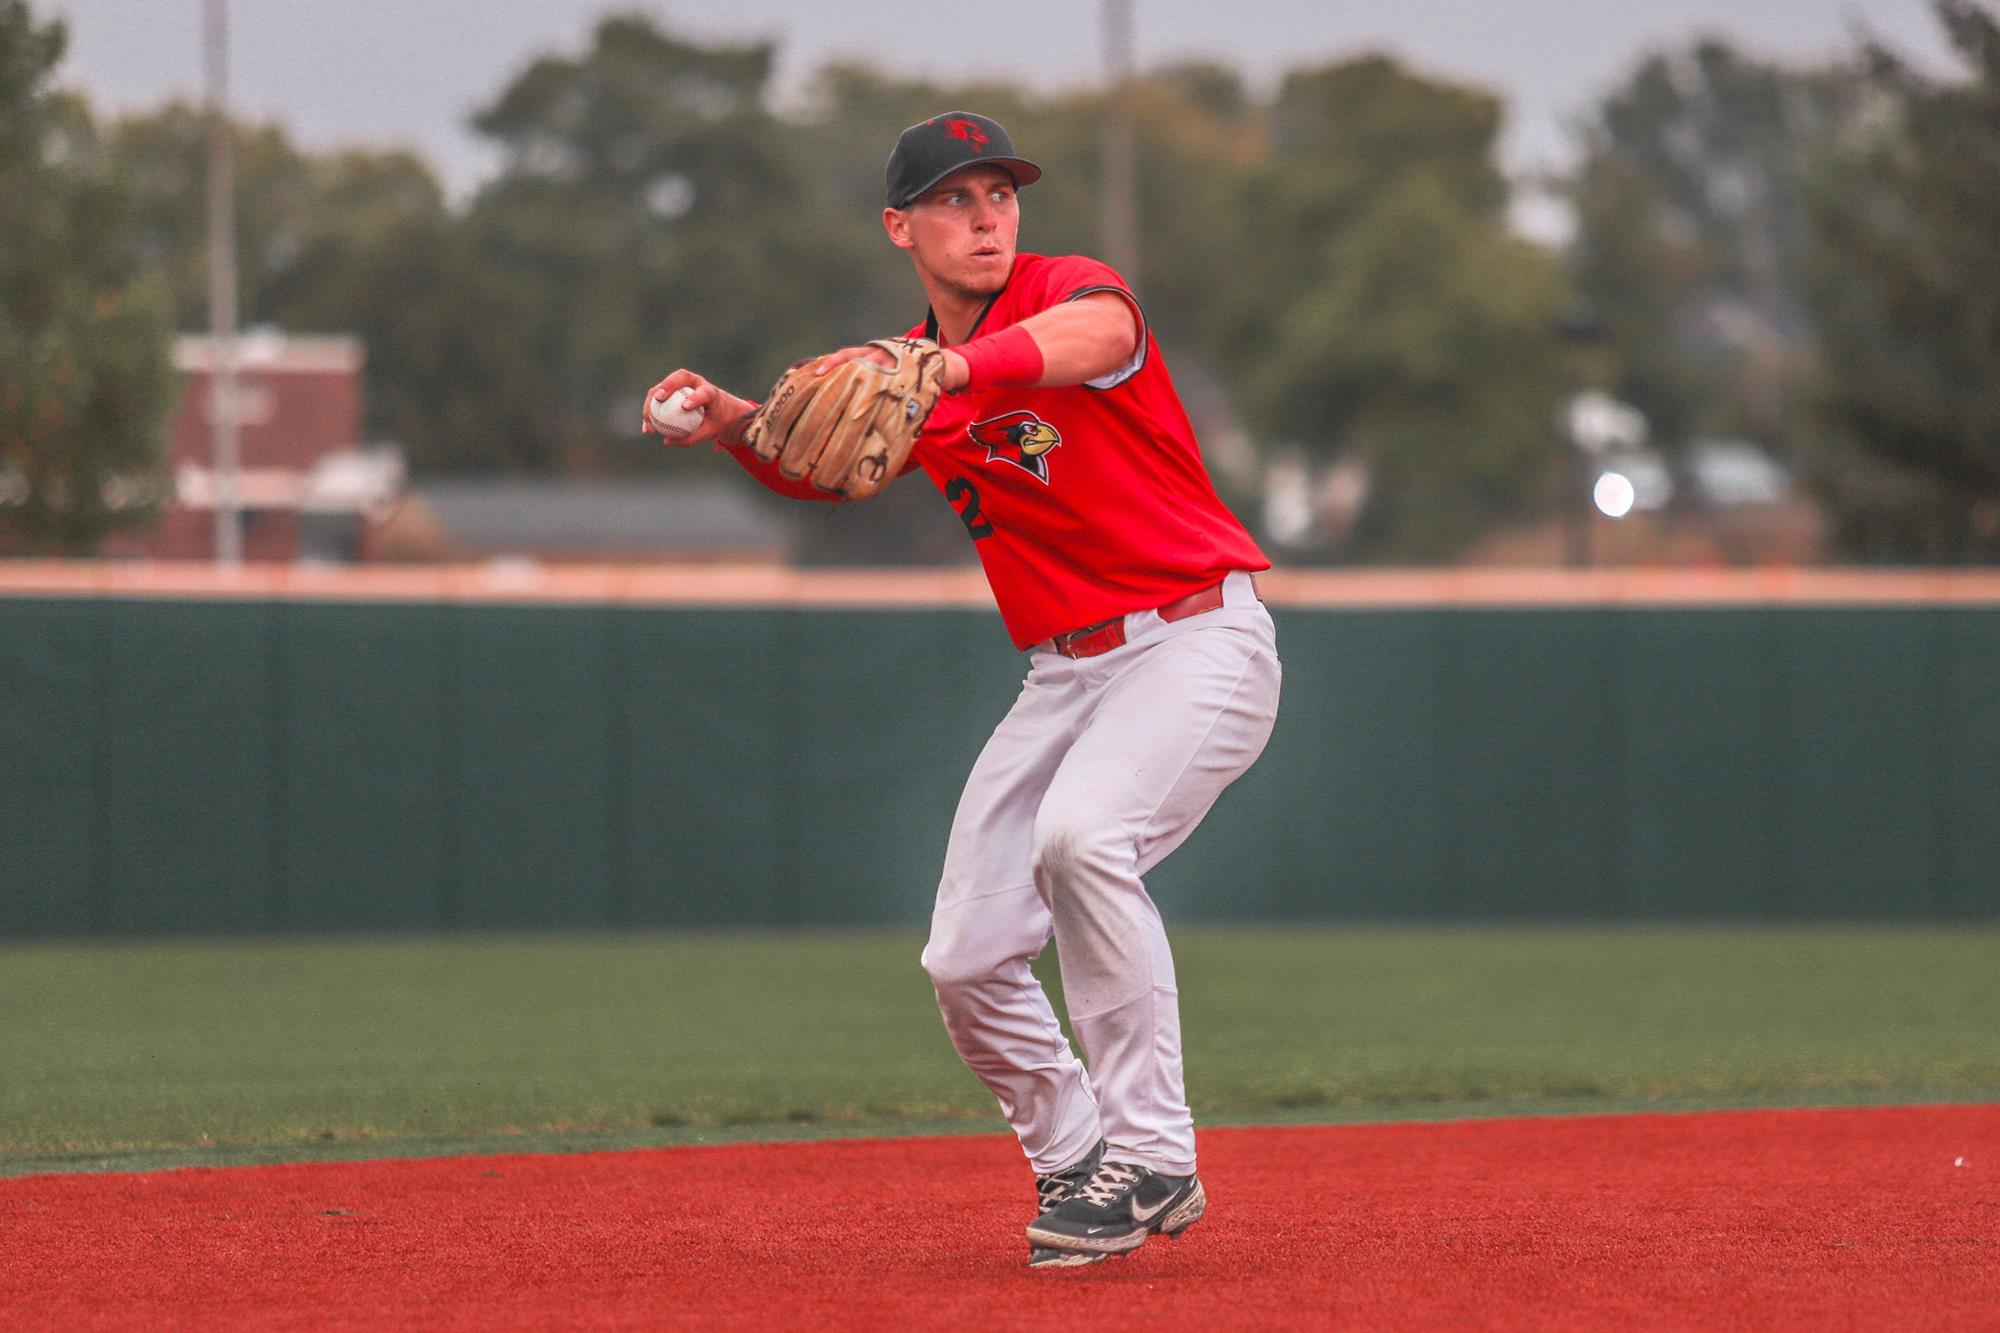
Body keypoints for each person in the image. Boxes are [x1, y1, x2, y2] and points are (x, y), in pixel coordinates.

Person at [643, 111, 1280, 1268]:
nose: (984, 217)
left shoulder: (1061, 289)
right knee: (965, 956)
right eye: (953, 199)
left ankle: (1153, 1154)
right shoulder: (905, 378)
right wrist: (736, 420)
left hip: (1196, 638)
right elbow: (825, 464)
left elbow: (1098, 333)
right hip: (1064, 672)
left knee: (1084, 837)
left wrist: (954, 363)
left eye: (998, 195)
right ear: (900, 226)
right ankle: (1081, 1158)